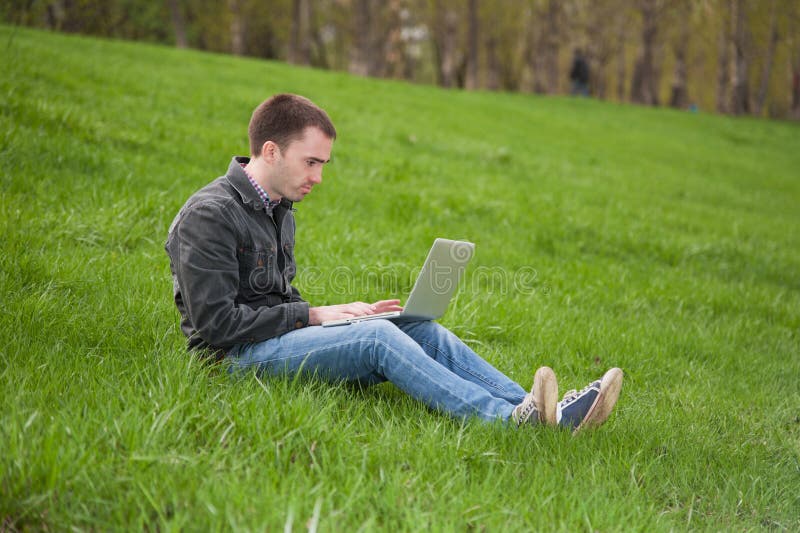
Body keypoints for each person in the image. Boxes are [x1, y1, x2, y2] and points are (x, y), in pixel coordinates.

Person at [165, 94, 622, 434]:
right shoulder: (210, 214)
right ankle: (506, 423)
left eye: (323, 163)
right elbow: (217, 327)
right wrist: (315, 316)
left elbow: (278, 299)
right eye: (311, 162)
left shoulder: (277, 207)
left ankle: (544, 412)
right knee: (378, 339)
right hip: (229, 360)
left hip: (269, 342)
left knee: (412, 326)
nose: (319, 177)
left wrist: (341, 316)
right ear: (270, 151)